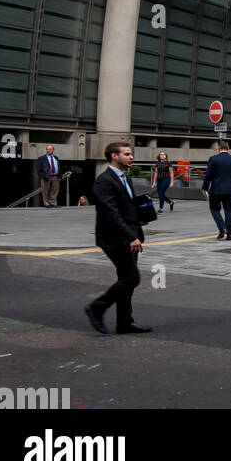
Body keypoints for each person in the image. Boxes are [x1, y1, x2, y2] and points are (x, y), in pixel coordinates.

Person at [84, 142, 150, 336]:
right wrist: (131, 237)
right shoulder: (104, 181)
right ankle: (97, 307)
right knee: (131, 277)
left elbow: (125, 207)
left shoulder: (125, 179)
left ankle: (124, 322)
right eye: (127, 154)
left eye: (131, 154)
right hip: (114, 238)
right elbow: (111, 213)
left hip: (129, 235)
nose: (131, 157)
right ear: (114, 156)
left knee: (126, 279)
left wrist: (139, 221)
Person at [202, 140, 231, 240]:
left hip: (216, 189)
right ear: (228, 149)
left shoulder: (213, 159)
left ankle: (222, 228)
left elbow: (208, 175)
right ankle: (229, 234)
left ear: (219, 148)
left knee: (214, 209)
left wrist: (204, 187)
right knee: (230, 211)